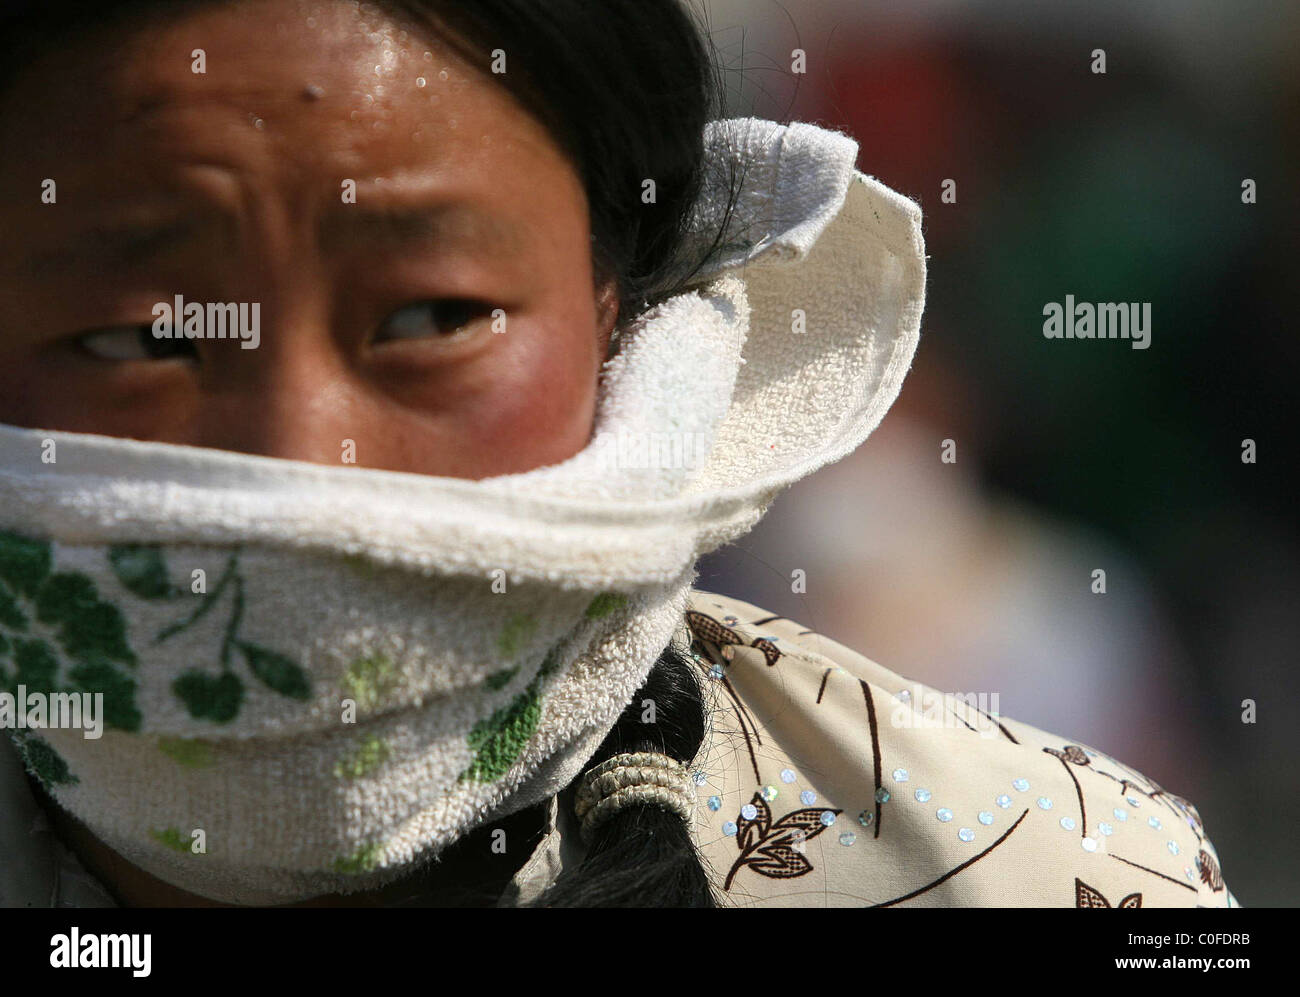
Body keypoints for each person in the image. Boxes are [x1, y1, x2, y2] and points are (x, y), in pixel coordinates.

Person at [0, 0, 1234, 908]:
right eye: (136, 337)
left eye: (432, 318)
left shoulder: (1066, 875)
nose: (301, 461)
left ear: (623, 319)